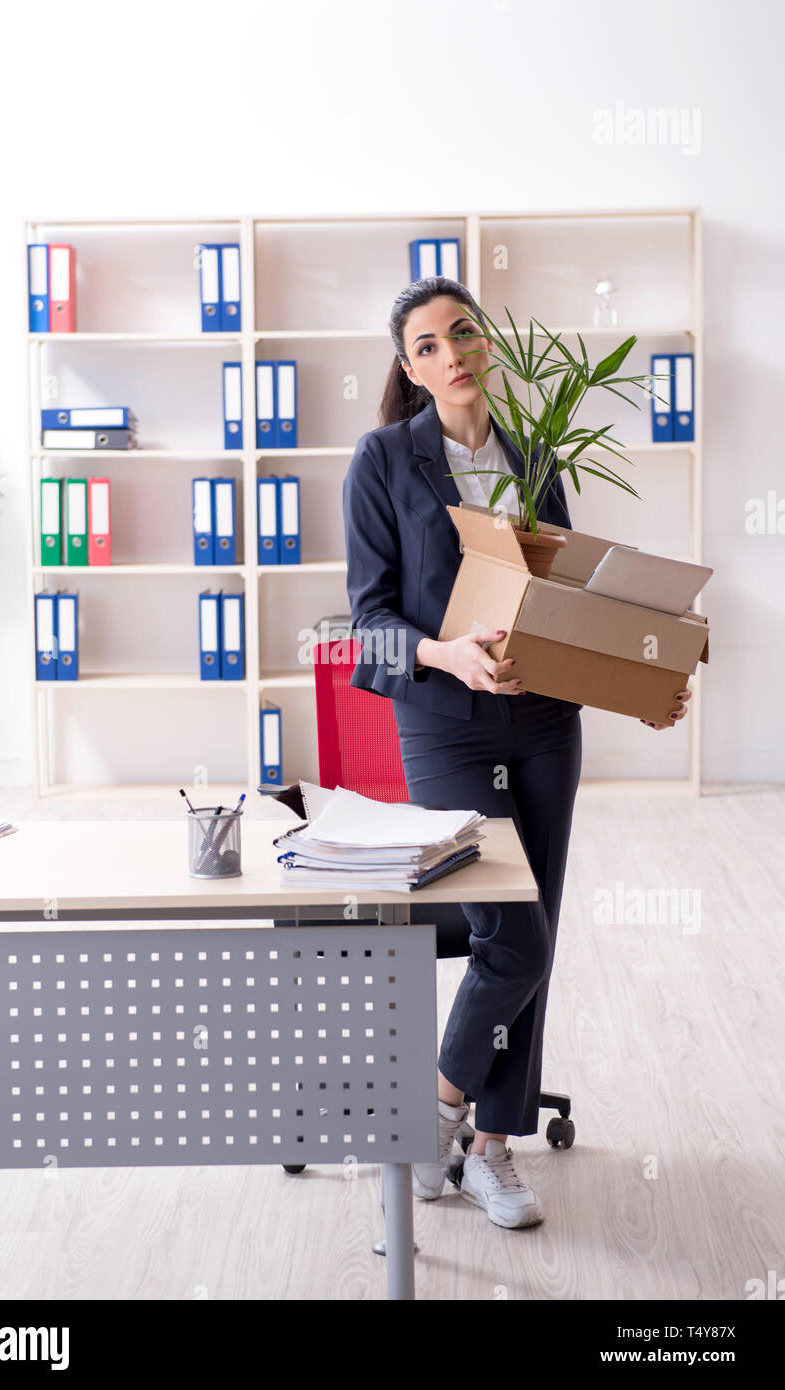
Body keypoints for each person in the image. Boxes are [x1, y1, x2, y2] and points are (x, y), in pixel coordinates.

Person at [341, 276, 691, 1229]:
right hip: (447, 723)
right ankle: (440, 1109)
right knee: (513, 934)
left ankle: (486, 1146)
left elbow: (568, 602)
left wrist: (643, 685)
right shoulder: (380, 460)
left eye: (462, 333)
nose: (450, 354)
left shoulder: (538, 452)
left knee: (535, 932)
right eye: (425, 346)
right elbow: (364, 620)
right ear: (408, 369)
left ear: (487, 343)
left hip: (542, 724)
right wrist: (445, 654)